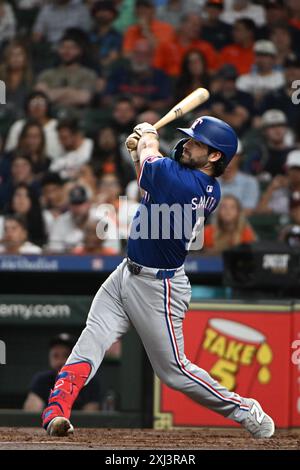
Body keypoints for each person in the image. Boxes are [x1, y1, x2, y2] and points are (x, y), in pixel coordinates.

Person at [41, 116, 275, 438]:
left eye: (197, 143)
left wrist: (148, 135)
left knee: (174, 372)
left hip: (158, 287)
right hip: (126, 273)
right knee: (90, 342)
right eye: (190, 139)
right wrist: (139, 153)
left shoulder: (188, 183)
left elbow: (155, 165)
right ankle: (56, 411)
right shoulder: (190, 180)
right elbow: (149, 177)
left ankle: (244, 409)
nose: (188, 145)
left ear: (215, 156)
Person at [24, 333, 100, 412]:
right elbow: (31, 413)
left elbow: (90, 417)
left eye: (66, 355)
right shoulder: (42, 380)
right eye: (56, 356)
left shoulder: (89, 381)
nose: (60, 361)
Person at [35, 33, 98, 110]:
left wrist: (54, 94)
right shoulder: (47, 74)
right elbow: (40, 99)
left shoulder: (88, 74)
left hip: (79, 117)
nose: (67, 51)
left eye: (72, 48)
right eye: (63, 47)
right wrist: (69, 91)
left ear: (80, 51)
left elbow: (83, 98)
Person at [4, 91, 64, 161]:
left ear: (47, 106)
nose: (37, 107)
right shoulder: (18, 126)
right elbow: (11, 150)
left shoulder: (57, 125)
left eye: (41, 103)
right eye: (33, 103)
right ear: (27, 106)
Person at [236, 40, 285, 105]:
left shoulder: (282, 78)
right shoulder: (243, 79)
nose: (261, 59)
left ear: (274, 59)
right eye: (258, 55)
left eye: (266, 55)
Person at [219, 141, 260, 216]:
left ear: (239, 157)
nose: (228, 158)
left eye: (232, 155)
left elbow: (248, 210)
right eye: (224, 155)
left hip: (240, 226)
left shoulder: (250, 182)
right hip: (210, 225)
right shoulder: (208, 180)